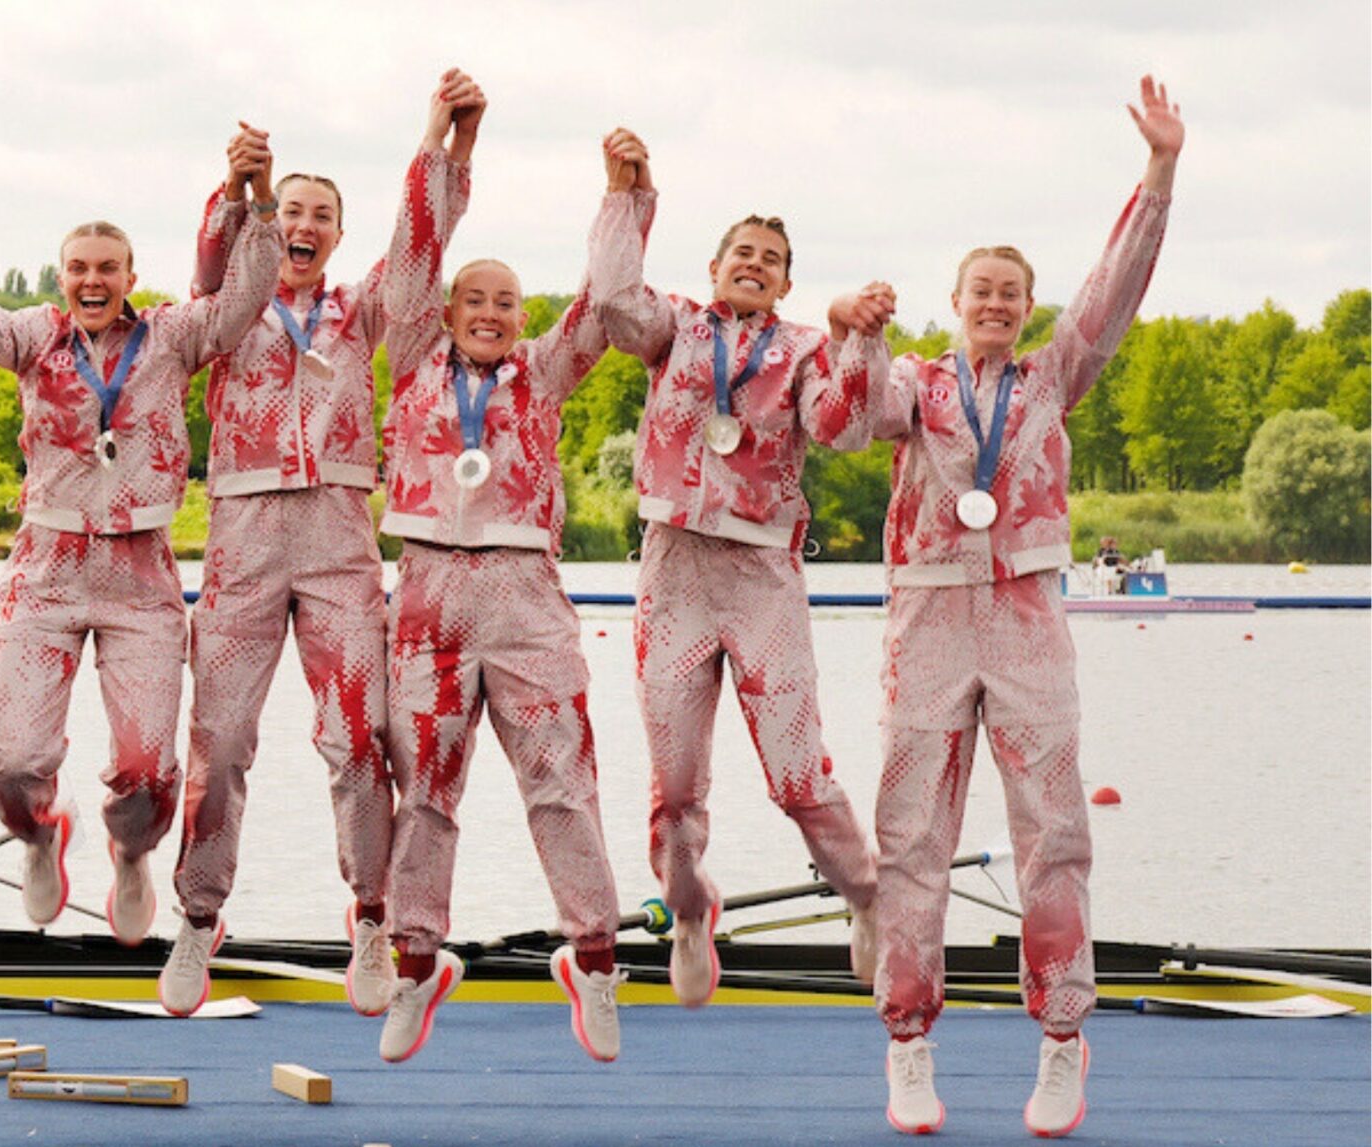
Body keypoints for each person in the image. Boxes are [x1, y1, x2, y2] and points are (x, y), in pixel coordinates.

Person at [830, 74, 1180, 1140]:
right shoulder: (912, 385)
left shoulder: (1052, 375)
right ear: (953, 299)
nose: (993, 302)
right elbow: (844, 427)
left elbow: (1113, 289)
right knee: (910, 837)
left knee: (1055, 833)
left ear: (1025, 308)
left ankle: (1063, 1041)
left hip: (1026, 617)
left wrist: (1159, 172)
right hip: (927, 621)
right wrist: (852, 335)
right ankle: (907, 1046)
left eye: (1009, 291)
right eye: (978, 287)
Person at [0, 123, 282, 946]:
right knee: (11, 760)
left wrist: (258, 199)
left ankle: (131, 852)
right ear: (63, 280)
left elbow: (246, 297)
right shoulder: (34, 336)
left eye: (107, 269)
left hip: (140, 569)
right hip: (47, 563)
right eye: (79, 270)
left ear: (130, 278)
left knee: (145, 766)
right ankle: (38, 833)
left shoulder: (170, 337)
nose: (93, 281)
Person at [159, 82, 451, 1019]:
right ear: (271, 222)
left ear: (337, 234)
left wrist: (439, 141)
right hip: (244, 536)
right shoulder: (227, 306)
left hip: (336, 536)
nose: (307, 224)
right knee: (220, 738)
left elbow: (417, 251)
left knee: (356, 736)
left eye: (323, 216)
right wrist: (237, 187)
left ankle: (370, 912)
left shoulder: (358, 312)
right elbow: (213, 261)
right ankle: (200, 918)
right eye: (292, 210)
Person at [587, 129, 891, 1008]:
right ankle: (688, 909)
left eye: (772, 259)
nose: (754, 265)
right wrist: (626, 197)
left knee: (798, 777)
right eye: (742, 254)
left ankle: (866, 894)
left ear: (788, 283)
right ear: (714, 266)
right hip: (674, 570)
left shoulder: (801, 348)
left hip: (761, 579)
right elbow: (610, 298)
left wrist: (856, 341)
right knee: (675, 784)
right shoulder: (675, 327)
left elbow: (840, 424)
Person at [372, 71, 627, 1065]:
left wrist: (621, 195)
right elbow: (410, 258)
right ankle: (414, 964)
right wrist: (442, 141)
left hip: (524, 592)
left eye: (505, 300)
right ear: (445, 312)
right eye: (471, 298)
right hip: (429, 586)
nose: (487, 310)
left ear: (524, 314)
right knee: (426, 789)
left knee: (560, 779)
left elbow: (608, 300)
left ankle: (594, 958)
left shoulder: (546, 370)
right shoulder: (408, 358)